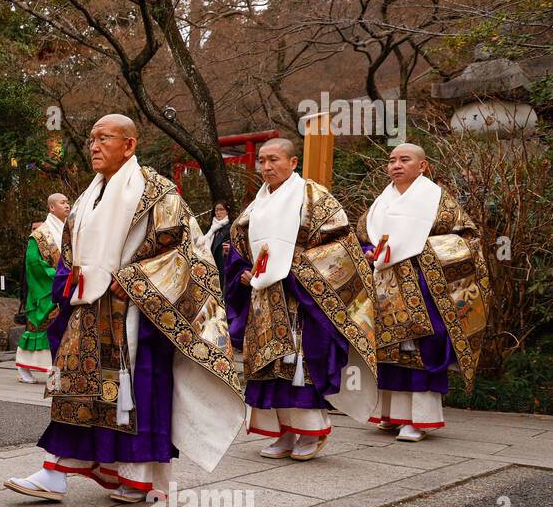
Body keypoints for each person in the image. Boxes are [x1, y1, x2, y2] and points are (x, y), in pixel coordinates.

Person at [4, 115, 244, 504]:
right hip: (87, 309)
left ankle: (135, 477)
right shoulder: (87, 196)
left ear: (129, 145)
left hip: (136, 314)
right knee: (77, 391)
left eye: (105, 138)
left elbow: (184, 253)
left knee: (136, 393)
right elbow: (70, 250)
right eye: (92, 138)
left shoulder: (157, 192)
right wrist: (68, 282)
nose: (94, 146)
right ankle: (57, 470)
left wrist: (134, 279)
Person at [222, 137, 378, 460]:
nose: (266, 167)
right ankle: (283, 431)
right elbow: (238, 247)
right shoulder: (257, 203)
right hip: (265, 300)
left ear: (293, 163)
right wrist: (243, 272)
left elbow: (340, 244)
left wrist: (297, 268)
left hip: (297, 299)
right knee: (268, 366)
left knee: (298, 365)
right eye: (262, 160)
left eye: (274, 160)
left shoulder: (314, 197)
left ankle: (311, 429)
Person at [357, 144, 490, 441]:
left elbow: (466, 238)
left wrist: (421, 252)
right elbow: (365, 237)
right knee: (388, 350)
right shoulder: (382, 201)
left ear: (423, 166)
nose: (396, 165)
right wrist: (369, 253)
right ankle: (390, 415)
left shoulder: (438, 199)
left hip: (424, 284)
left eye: (405, 160)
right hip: (386, 283)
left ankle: (419, 419)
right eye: (392, 160)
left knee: (420, 349)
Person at [15, 193, 68, 384]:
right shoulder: (39, 235)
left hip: (66, 286)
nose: (67, 205)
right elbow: (33, 264)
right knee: (43, 328)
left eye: (68, 202)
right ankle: (23, 365)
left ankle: (56, 370)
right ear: (52, 207)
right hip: (48, 289)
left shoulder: (67, 229)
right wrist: (57, 277)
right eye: (63, 202)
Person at [200, 200, 233, 283]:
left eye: (221, 209)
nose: (218, 212)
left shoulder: (231, 228)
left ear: (227, 211)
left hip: (224, 264)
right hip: (211, 263)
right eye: (216, 210)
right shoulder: (211, 229)